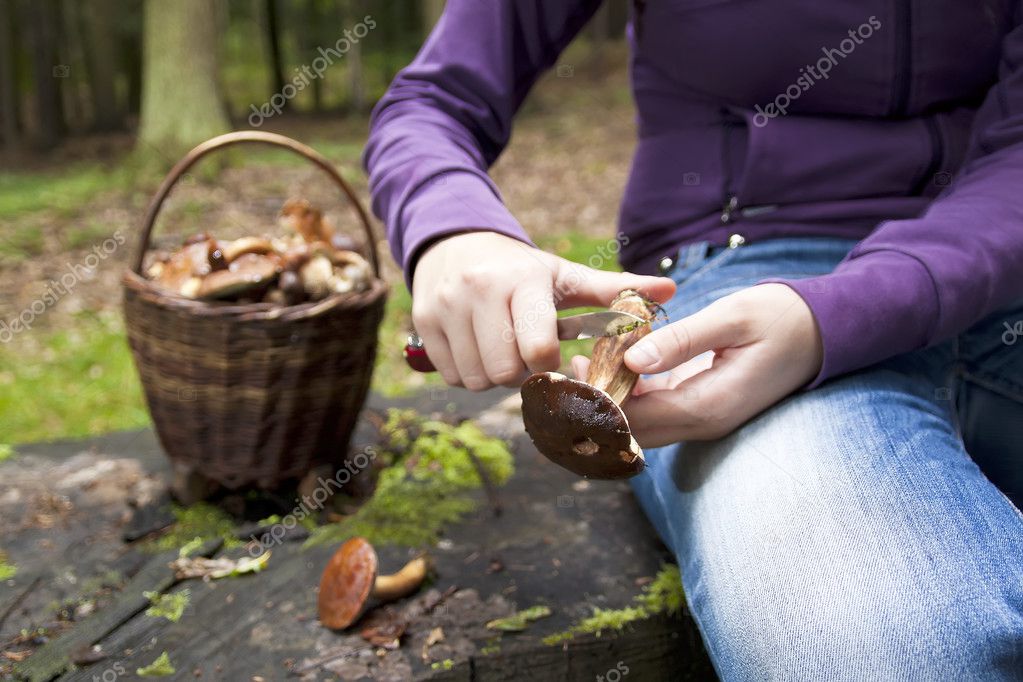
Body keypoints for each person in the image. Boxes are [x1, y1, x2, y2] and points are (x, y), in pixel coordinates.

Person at [364, 2, 1023, 679]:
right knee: (881, 639)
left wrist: (855, 308)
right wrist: (451, 225)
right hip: (746, 280)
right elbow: (432, 102)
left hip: (1004, 268)